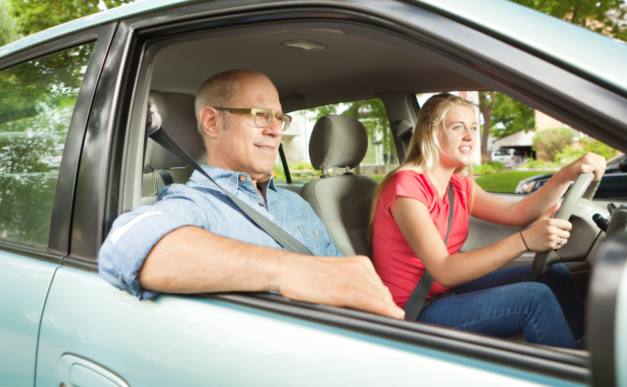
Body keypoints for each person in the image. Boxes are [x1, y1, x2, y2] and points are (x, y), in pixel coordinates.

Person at [98, 69, 404, 320]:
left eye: (280, 118)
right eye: (261, 115)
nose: (276, 130)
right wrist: (290, 269)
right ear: (212, 122)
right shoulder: (194, 204)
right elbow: (125, 243)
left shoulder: (296, 203)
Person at [370, 93, 606, 348]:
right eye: (457, 127)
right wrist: (526, 240)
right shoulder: (406, 187)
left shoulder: (458, 185)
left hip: (446, 292)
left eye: (473, 127)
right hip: (412, 312)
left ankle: (582, 354)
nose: (470, 136)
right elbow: (445, 270)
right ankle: (574, 381)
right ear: (431, 133)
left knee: (554, 275)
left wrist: (565, 175)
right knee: (532, 299)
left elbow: (518, 214)